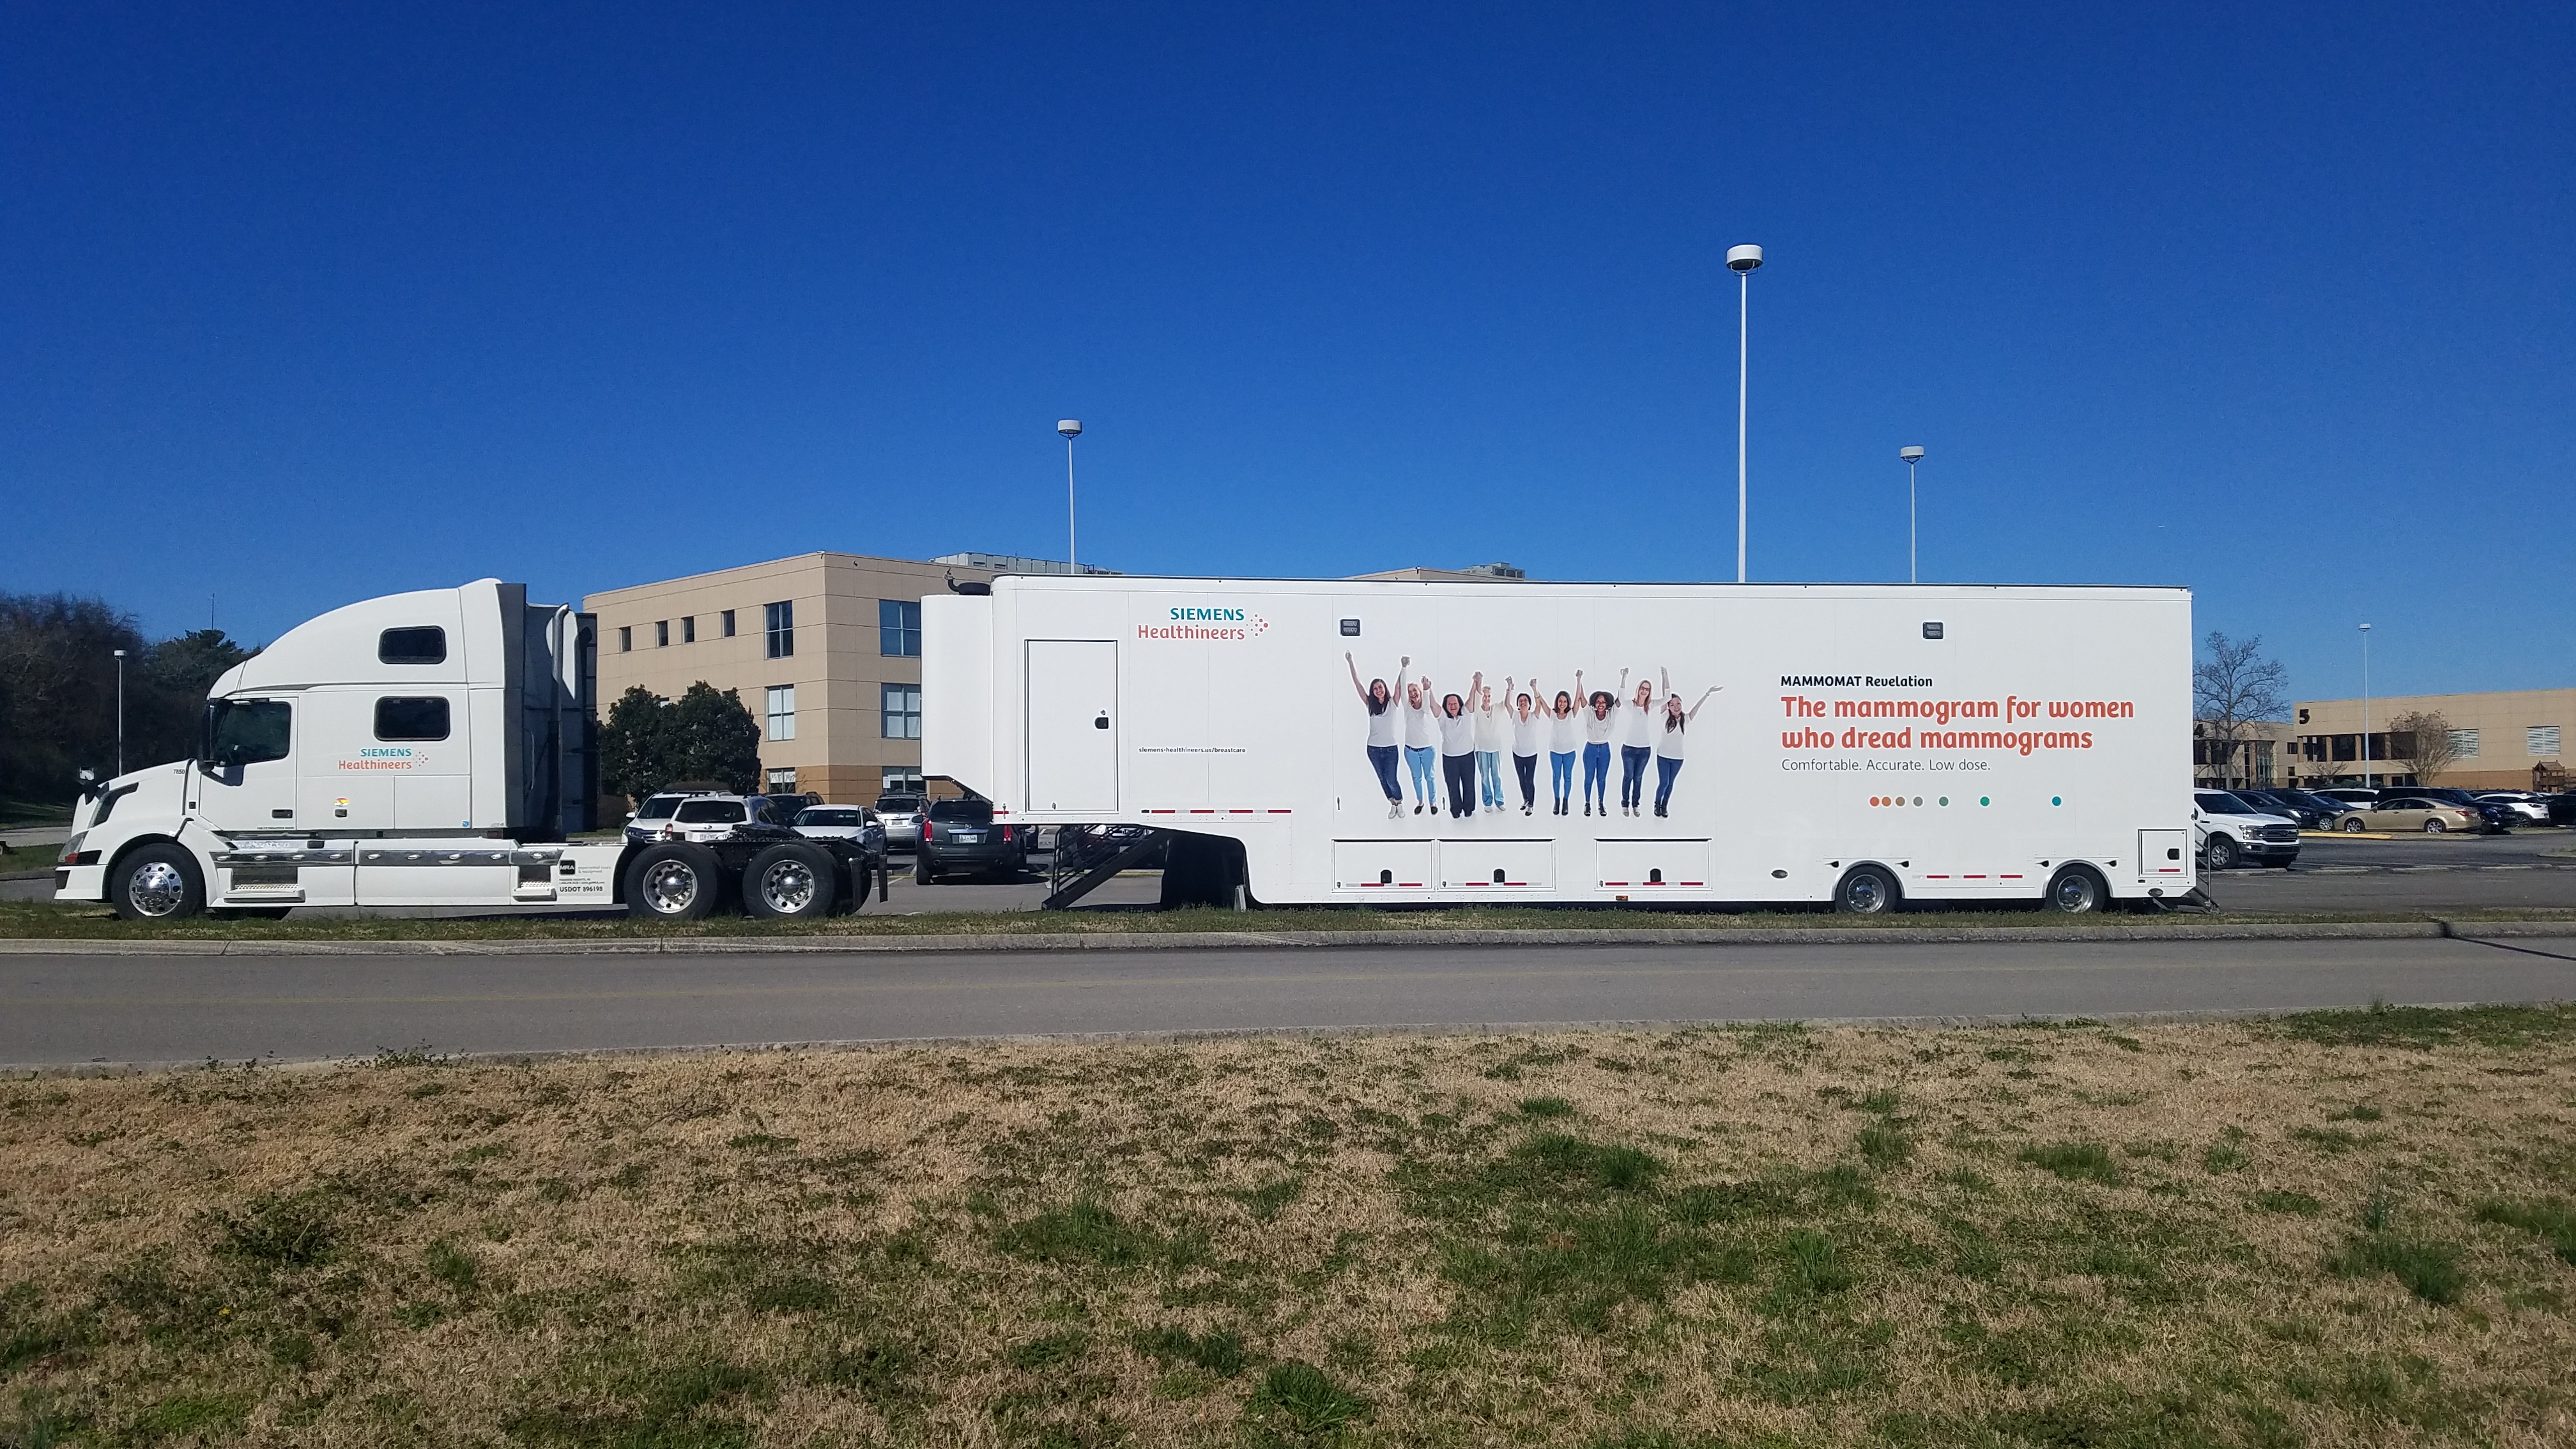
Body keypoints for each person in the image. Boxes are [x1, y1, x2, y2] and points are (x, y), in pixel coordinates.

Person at [1346, 652, 1409, 820]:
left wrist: (1403, 668)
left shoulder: (1393, 703)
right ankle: (1393, 803)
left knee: (1391, 778)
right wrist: (1351, 661)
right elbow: (1358, 683)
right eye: (1375, 688)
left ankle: (1400, 802)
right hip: (1373, 749)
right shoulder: (1370, 705)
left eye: (1380, 687)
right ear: (1373, 692)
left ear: (1384, 688)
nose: (1378, 690)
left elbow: (1399, 687)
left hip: (1390, 749)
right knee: (1382, 778)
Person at [1652, 668, 1720, 816]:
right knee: (1663, 782)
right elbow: (1666, 694)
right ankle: (1657, 804)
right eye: (1672, 704)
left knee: (1671, 783)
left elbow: (1697, 707)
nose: (1676, 707)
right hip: (1663, 756)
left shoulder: (1686, 720)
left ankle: (1664, 806)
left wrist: (1707, 694)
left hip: (1678, 758)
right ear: (1668, 707)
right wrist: (1665, 676)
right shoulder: (1664, 717)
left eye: (1678, 704)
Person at [1579, 667, 1625, 817]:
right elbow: (1582, 698)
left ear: (1607, 704)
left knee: (1602, 778)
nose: (1600, 704)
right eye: (1598, 702)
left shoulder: (1612, 714)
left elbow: (1621, 699)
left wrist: (1623, 677)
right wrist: (1579, 679)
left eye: (1603, 702)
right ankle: (1587, 803)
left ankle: (1601, 803)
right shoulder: (1590, 713)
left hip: (1605, 749)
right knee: (1589, 778)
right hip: (1590, 749)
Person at [1436, 673, 1483, 818]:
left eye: (1455, 703)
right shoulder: (1443, 717)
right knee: (1453, 786)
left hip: (1467, 756)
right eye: (1449, 704)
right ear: (1446, 706)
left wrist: (1477, 681)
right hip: (1450, 758)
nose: (1453, 706)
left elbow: (1473, 697)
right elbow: (1432, 704)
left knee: (1469, 784)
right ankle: (1455, 810)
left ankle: (1469, 809)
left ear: (1460, 704)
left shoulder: (1466, 712)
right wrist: (1427, 690)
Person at [1619, 674, 1658, 816]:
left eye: (1647, 689)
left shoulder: (1651, 705)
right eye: (1642, 688)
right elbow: (1621, 698)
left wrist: (1664, 675)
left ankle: (1636, 804)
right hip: (1629, 748)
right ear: (1638, 689)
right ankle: (1625, 804)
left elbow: (1666, 699)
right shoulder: (1631, 705)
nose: (1644, 691)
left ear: (1649, 692)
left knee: (1638, 777)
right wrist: (1624, 677)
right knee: (1628, 776)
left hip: (1644, 749)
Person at [1402, 673, 1439, 815]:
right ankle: (1420, 802)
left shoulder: (1425, 707)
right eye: (1410, 691)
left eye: (1414, 690)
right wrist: (1404, 667)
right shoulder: (1407, 709)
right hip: (1411, 751)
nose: (1412, 693)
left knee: (1429, 777)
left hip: (1427, 750)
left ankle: (1433, 802)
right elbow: (1403, 686)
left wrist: (1426, 689)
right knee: (1416, 777)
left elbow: (1426, 706)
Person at [1509, 684, 1544, 815]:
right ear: (1518, 704)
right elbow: (1507, 704)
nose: (1523, 702)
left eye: (1525, 700)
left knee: (1530, 779)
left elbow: (1539, 704)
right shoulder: (1515, 715)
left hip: (1531, 754)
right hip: (1517, 753)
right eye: (1520, 701)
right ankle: (1525, 799)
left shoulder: (1533, 716)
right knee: (1521, 779)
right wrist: (1510, 689)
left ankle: (1531, 804)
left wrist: (1535, 688)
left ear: (1529, 704)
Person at [1545, 686, 1581, 815]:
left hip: (1569, 751)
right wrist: (1535, 688)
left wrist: (1579, 680)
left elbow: (1578, 699)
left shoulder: (1571, 714)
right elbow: (1542, 702)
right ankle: (1557, 801)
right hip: (1555, 751)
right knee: (1556, 777)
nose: (1562, 704)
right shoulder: (1553, 714)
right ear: (1557, 702)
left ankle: (1566, 801)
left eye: (1565, 701)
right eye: (1560, 701)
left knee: (1568, 777)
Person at [1473, 680, 1508, 811]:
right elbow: (1476, 697)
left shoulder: (1496, 709)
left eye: (1489, 696)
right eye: (1484, 696)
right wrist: (1478, 682)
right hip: (1481, 748)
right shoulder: (1476, 711)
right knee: (1484, 776)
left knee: (1496, 775)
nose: (1486, 699)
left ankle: (1499, 800)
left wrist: (1509, 689)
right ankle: (1488, 802)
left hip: (1495, 747)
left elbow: (1506, 703)